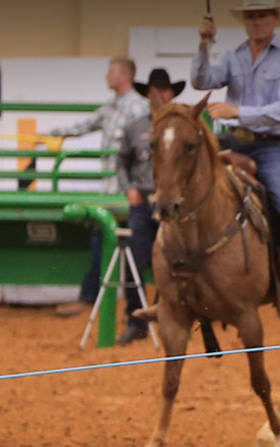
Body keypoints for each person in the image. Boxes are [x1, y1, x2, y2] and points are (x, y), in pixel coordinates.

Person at [192, 0, 280, 319]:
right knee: (189, 190)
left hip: (270, 147)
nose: (256, 21)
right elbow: (202, 81)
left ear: (274, 18)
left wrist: (238, 112)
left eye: (262, 15)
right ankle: (183, 279)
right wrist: (204, 43)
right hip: (233, 142)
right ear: (245, 21)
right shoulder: (233, 56)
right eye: (251, 16)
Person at [49, 57, 148, 319]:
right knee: (102, 236)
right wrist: (54, 133)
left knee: (124, 243)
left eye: (111, 71)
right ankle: (95, 298)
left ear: (124, 75)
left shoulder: (139, 108)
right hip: (111, 190)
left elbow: (140, 152)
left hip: (127, 190)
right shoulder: (110, 108)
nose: (107, 76)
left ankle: (119, 302)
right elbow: (84, 126)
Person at [104, 68, 179, 346]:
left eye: (164, 90)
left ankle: (176, 319)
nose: (159, 95)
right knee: (133, 259)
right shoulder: (135, 126)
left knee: (178, 263)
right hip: (143, 201)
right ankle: (136, 321)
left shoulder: (180, 125)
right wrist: (129, 187)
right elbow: (121, 162)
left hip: (172, 205)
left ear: (171, 94)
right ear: (147, 95)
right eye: (154, 90)